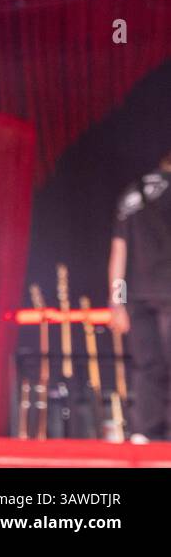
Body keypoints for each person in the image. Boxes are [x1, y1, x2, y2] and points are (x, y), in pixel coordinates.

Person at [108, 150, 171, 442]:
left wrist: (116, 300)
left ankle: (144, 433)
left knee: (147, 365)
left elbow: (118, 252)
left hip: (139, 296)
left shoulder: (131, 194)